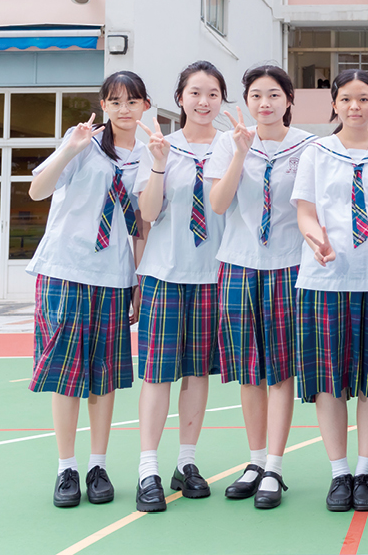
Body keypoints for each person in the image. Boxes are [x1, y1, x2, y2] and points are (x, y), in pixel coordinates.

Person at [25, 71, 151, 508]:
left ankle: (98, 465)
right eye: (115, 101)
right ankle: (66, 468)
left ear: (145, 106)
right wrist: (69, 149)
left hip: (114, 277)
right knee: (65, 373)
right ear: (103, 105)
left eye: (132, 101)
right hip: (64, 269)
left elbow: (143, 226)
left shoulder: (150, 154)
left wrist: (137, 280)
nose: (123, 109)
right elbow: (38, 190)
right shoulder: (83, 143)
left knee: (104, 374)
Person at [292, 69, 368, 513]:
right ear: (334, 105)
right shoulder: (316, 153)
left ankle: (365, 473)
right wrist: (314, 238)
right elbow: (305, 211)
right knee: (329, 381)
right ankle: (339, 474)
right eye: (346, 99)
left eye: (364, 99)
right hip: (325, 281)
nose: (355, 107)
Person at [207, 65, 316, 510]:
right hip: (238, 264)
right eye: (256, 95)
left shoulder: (309, 147)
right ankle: (253, 461)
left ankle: (275, 464)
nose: (265, 103)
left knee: (281, 369)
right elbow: (217, 204)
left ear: (289, 100)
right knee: (248, 369)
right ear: (246, 101)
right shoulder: (227, 141)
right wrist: (239, 153)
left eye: (274, 94)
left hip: (289, 265)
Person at [131, 62, 228, 512]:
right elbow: (147, 215)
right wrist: (157, 164)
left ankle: (186, 462)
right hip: (165, 275)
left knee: (196, 373)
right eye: (195, 93)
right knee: (157, 373)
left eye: (212, 93)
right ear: (180, 98)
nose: (204, 101)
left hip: (214, 275)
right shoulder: (160, 146)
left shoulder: (233, 147)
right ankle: (147, 468)